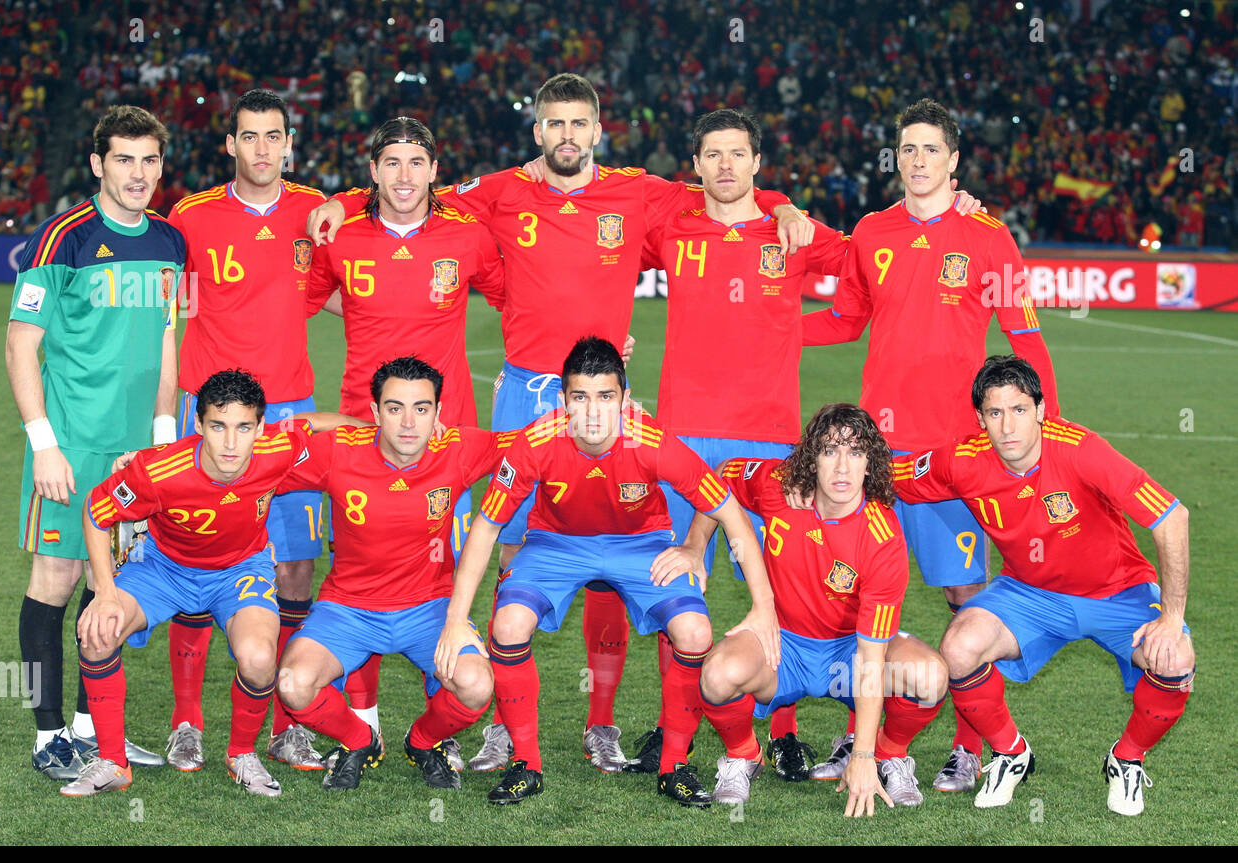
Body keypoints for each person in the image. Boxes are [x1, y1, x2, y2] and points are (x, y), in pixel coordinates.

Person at [308, 74, 811, 775]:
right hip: (524, 395)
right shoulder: (499, 191)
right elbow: (408, 191)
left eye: (580, 123)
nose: (568, 135)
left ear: (597, 130)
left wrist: (785, 205)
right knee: (514, 551)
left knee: (610, 543)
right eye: (555, 124)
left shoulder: (636, 190)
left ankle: (600, 722)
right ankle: (500, 730)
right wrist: (335, 198)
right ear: (537, 130)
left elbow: (724, 192)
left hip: (601, 400)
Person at [800, 98, 1061, 793]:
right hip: (875, 458)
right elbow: (846, 318)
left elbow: (1027, 338)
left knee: (964, 599)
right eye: (906, 149)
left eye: (929, 150)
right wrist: (774, 332)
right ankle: (859, 735)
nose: (917, 161)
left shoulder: (989, 237)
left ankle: (973, 745)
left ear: (954, 160)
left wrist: (1049, 436)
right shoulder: (872, 231)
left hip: (953, 457)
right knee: (849, 598)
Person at [439, 337, 777, 807]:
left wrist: (761, 607)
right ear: (563, 401)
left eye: (605, 397)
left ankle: (673, 764)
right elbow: (484, 530)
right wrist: (456, 620)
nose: (592, 412)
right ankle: (527, 764)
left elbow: (731, 512)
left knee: (696, 631)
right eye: (580, 397)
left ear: (624, 398)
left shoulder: (650, 439)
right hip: (557, 543)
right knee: (507, 624)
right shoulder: (536, 440)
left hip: (640, 544)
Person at [636, 108, 851, 779]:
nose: (725, 166)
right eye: (712, 155)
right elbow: (598, 245)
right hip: (684, 435)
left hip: (770, 438)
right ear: (694, 165)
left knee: (783, 590)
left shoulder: (793, 232)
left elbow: (865, 286)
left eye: (738, 154)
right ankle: (674, 737)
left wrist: (786, 331)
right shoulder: (670, 221)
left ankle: (780, 728)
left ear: (759, 163)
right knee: (679, 584)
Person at [891, 356, 1193, 816]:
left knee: (1175, 658)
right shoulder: (963, 460)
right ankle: (1011, 753)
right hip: (1030, 594)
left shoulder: (1081, 449)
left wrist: (1170, 620)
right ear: (980, 419)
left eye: (1018, 409)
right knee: (959, 647)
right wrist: (816, 470)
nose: (1007, 425)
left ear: (1041, 409)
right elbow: (890, 475)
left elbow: (1172, 517)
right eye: (995, 413)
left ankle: (1127, 759)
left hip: (1118, 591)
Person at [303, 117, 504, 763]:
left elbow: (519, 302)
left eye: (416, 162)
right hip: (362, 435)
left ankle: (435, 730)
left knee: (437, 575)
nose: (404, 176)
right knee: (359, 571)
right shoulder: (344, 238)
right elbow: (302, 298)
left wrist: (606, 342)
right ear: (372, 171)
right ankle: (364, 724)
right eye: (391, 162)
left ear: (434, 170)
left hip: (445, 438)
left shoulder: (466, 237)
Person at [7, 104, 182, 782]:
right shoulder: (65, 237)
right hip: (72, 445)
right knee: (57, 579)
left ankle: (90, 727)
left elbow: (168, 341)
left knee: (107, 582)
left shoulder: (169, 241)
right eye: (124, 159)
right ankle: (48, 734)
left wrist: (164, 439)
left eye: (149, 160)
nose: (138, 174)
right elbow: (22, 344)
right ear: (97, 164)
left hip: (134, 452)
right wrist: (43, 443)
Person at [162, 89, 330, 774]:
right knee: (195, 560)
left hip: (289, 413)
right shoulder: (191, 217)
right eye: (249, 136)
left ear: (290, 144)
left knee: (294, 565)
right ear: (228, 144)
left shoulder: (315, 211)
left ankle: (289, 725)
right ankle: (186, 721)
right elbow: (168, 314)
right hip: (209, 416)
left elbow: (326, 288)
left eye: (275, 137)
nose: (262, 149)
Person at [669, 403, 947, 813]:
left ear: (870, 465)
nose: (841, 467)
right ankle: (744, 755)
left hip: (850, 651)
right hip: (783, 644)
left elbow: (871, 660)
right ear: (811, 458)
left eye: (855, 453)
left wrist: (864, 756)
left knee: (930, 677)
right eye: (829, 451)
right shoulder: (778, 486)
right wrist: (695, 544)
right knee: (717, 676)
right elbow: (722, 478)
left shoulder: (883, 539)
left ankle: (890, 755)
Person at [64, 370, 313, 797]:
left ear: (260, 427)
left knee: (258, 658)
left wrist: (383, 426)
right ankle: (112, 763)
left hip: (240, 571)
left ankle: (241, 754)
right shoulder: (158, 470)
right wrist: (105, 593)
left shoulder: (280, 449)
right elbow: (96, 510)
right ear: (198, 425)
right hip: (163, 568)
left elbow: (327, 429)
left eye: (243, 428)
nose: (231, 443)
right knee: (96, 632)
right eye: (218, 426)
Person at [273, 358, 503, 791]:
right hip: (348, 610)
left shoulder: (458, 448)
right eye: (395, 408)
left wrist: (604, 415)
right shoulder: (340, 449)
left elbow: (533, 443)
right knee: (293, 684)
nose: (409, 422)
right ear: (375, 413)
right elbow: (259, 443)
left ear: (438, 412)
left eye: (422, 408)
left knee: (475, 687)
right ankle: (361, 740)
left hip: (430, 609)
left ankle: (422, 741)